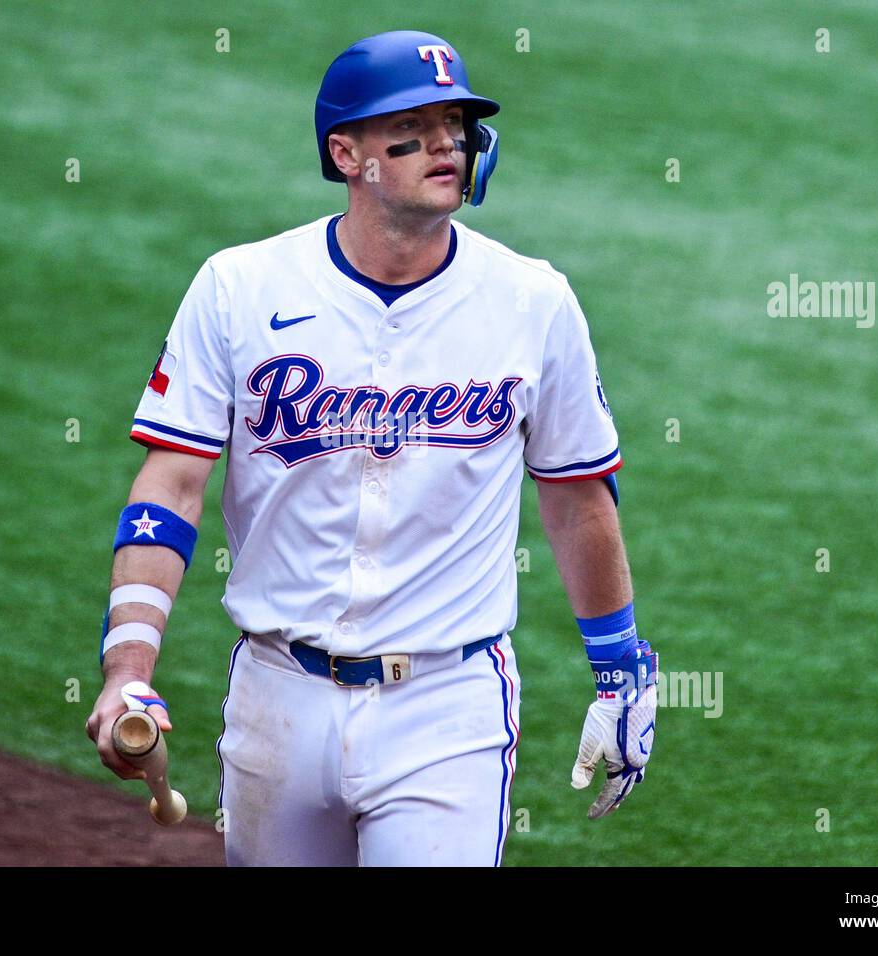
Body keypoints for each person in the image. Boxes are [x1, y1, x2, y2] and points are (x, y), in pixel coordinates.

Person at [86, 29, 658, 867]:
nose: (446, 146)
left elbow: (577, 498)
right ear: (346, 153)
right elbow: (171, 485)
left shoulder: (534, 302)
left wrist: (619, 669)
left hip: (447, 705)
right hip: (278, 696)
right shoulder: (240, 288)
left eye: (456, 126)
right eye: (414, 128)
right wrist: (126, 666)